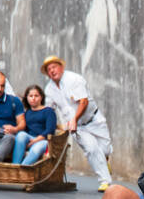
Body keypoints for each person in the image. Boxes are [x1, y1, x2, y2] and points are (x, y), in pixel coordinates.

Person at [42, 55, 112, 192]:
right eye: (49, 69)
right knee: (91, 149)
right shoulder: (49, 89)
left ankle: (104, 159)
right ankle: (105, 181)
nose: (52, 71)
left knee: (104, 150)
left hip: (94, 120)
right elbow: (49, 110)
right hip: (78, 128)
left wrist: (74, 119)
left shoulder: (74, 79)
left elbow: (83, 102)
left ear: (61, 67)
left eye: (54, 67)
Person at [16, 85, 56, 165]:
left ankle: (22, 168)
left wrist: (35, 140)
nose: (33, 98)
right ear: (27, 98)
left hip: (44, 141)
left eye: (36, 96)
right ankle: (14, 166)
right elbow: (24, 130)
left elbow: (50, 130)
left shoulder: (48, 111)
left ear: (41, 97)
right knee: (21, 135)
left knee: (37, 147)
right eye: (31, 96)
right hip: (30, 139)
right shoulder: (27, 113)